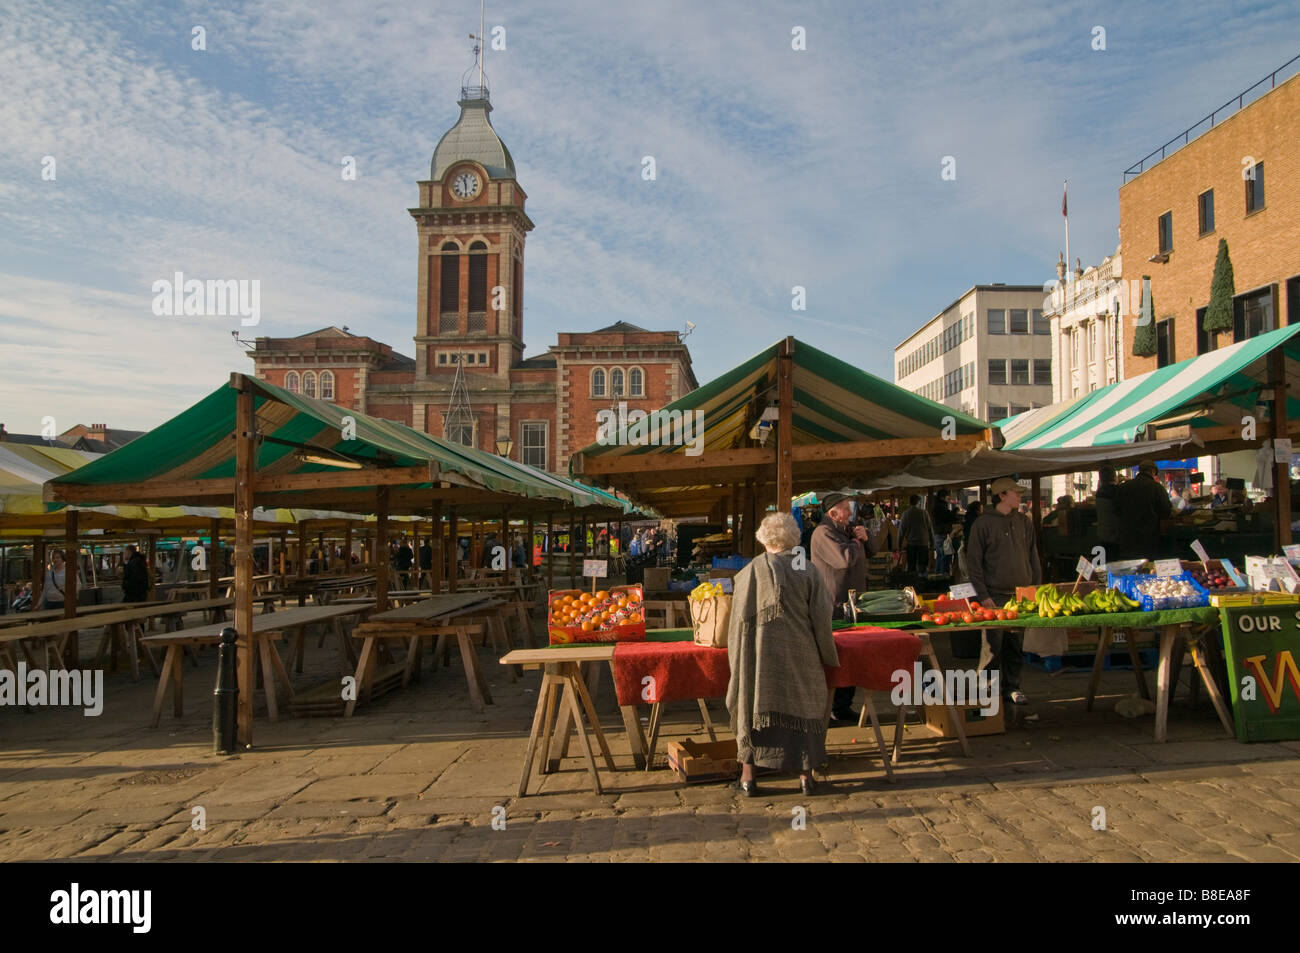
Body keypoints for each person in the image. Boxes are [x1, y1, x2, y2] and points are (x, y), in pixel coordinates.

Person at [726, 512, 839, 797]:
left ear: (764, 539)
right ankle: (805, 777)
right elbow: (822, 619)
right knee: (803, 710)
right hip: (802, 657)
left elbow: (736, 623)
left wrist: (736, 658)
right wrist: (828, 655)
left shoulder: (750, 571)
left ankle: (748, 778)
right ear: (793, 539)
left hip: (758, 660)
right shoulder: (808, 569)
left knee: (753, 706)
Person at [966, 477, 1042, 705]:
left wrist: (1035, 588)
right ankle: (986, 690)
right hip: (995, 595)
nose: (1020, 496)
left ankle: (1012, 687)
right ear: (1001, 495)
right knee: (992, 646)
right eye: (1015, 492)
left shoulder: (1024, 521)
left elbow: (1033, 556)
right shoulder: (983, 524)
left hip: (1021, 594)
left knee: (1015, 645)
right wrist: (983, 595)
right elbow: (974, 563)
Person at [810, 492, 868, 724]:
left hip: (852, 603)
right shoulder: (823, 533)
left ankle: (843, 705)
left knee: (850, 656)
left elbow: (868, 551)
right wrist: (856, 541)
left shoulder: (847, 529)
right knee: (835, 657)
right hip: (833, 605)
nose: (851, 513)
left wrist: (865, 537)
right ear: (833, 513)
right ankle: (831, 708)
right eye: (846, 509)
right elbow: (843, 560)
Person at [1115, 460, 1173, 559]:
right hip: (1149, 538)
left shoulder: (1124, 487)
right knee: (1148, 568)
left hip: (1127, 538)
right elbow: (1166, 511)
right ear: (1152, 471)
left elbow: (1116, 509)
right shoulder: (1157, 488)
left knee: (1129, 569)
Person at [898, 495, 933, 574]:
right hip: (923, 543)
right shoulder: (924, 513)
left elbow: (901, 532)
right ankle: (923, 583)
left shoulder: (905, 514)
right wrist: (932, 543)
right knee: (923, 566)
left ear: (910, 503)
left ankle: (913, 583)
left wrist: (899, 545)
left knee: (911, 567)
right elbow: (930, 529)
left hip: (911, 544)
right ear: (918, 502)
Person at [1095, 467, 1120, 562]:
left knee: (1107, 561)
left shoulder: (1099, 492)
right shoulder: (1116, 490)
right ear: (1114, 476)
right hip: (1116, 534)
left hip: (1103, 534)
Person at [930, 490, 958, 574]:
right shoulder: (941, 507)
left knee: (940, 555)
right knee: (944, 554)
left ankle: (938, 573)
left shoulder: (937, 506)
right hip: (941, 533)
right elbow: (948, 516)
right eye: (947, 497)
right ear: (942, 497)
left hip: (937, 533)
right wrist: (955, 510)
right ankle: (942, 574)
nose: (948, 499)